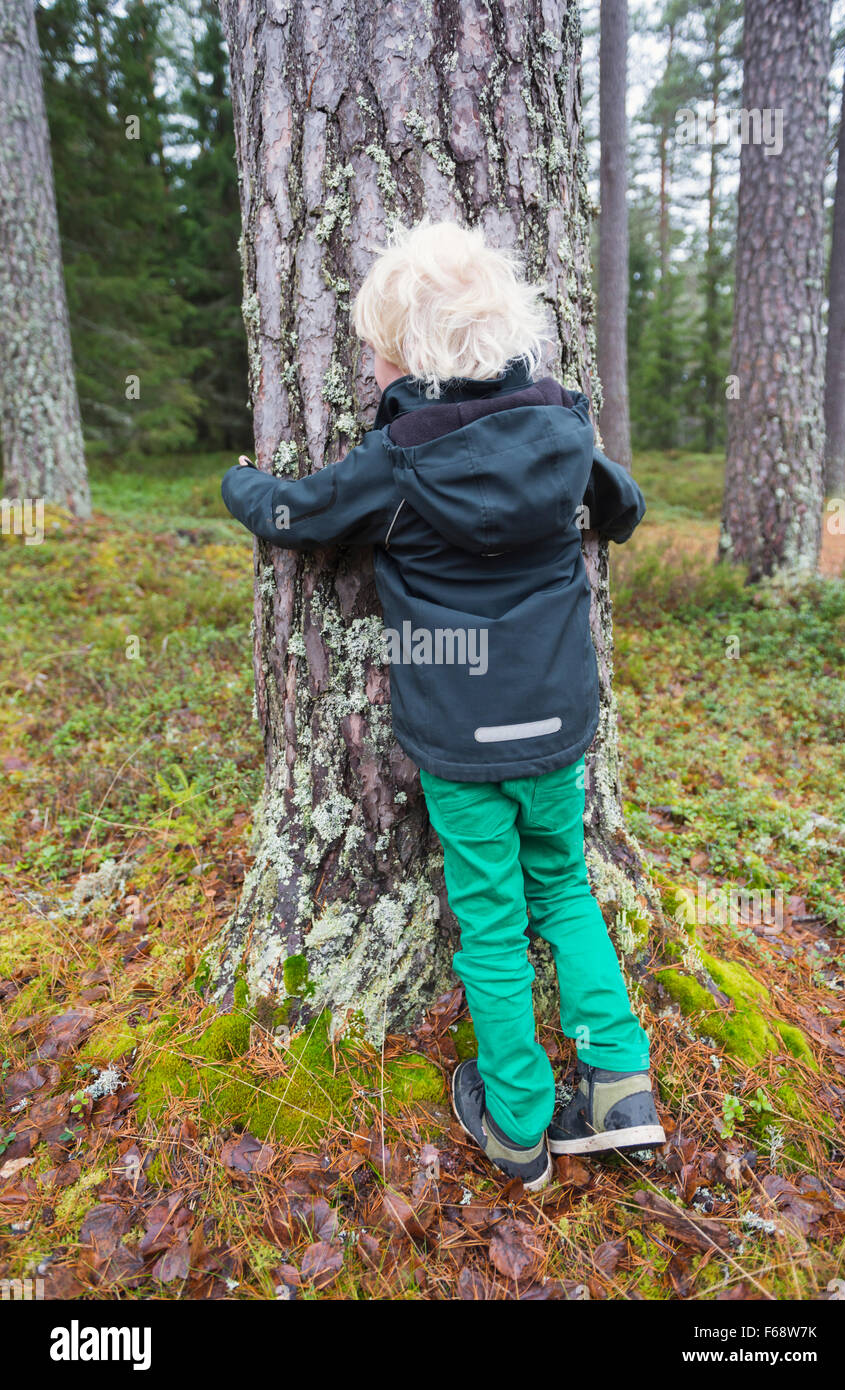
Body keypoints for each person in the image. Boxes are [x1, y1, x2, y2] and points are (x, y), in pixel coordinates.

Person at [221, 218, 664, 1192]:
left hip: (461, 745)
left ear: (405, 362)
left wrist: (239, 482)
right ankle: (620, 1083)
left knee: (494, 922)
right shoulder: (561, 432)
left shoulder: (398, 462)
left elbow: (295, 516)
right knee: (564, 887)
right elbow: (623, 507)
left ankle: (517, 1126)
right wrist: (603, 505)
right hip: (557, 728)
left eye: (376, 351)